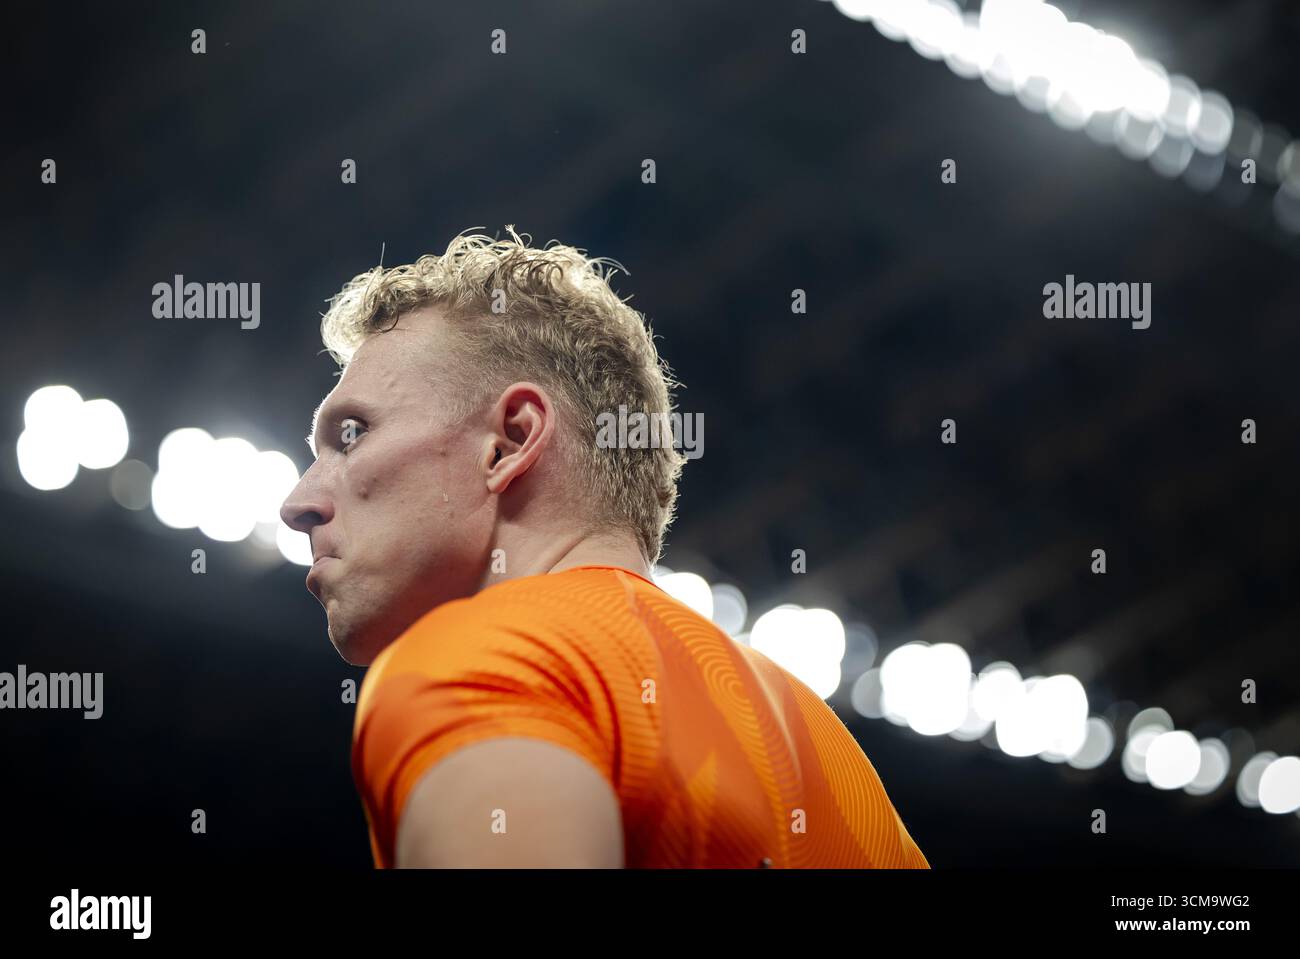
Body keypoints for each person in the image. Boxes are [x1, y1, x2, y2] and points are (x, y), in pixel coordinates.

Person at [279, 227, 929, 868]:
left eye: (352, 433)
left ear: (508, 441)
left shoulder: (486, 662)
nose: (298, 502)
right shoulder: (831, 757)